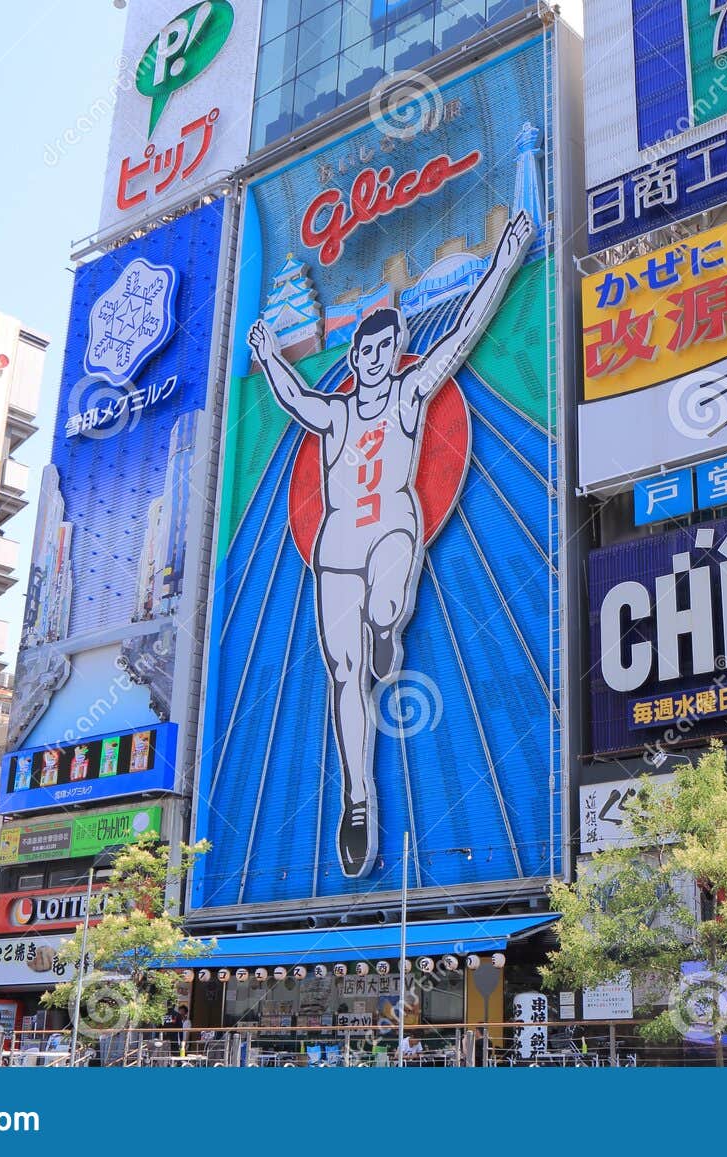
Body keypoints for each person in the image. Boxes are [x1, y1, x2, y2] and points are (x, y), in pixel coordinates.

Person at [247, 209, 534, 878]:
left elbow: (463, 332)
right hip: (337, 546)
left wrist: (507, 258)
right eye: (367, 350)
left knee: (389, 582)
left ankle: (385, 625)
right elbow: (293, 398)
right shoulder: (336, 413)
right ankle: (356, 797)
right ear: (355, 356)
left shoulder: (410, 394)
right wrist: (264, 354)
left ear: (394, 351)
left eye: (386, 348)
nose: (376, 359)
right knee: (344, 677)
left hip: (392, 532)